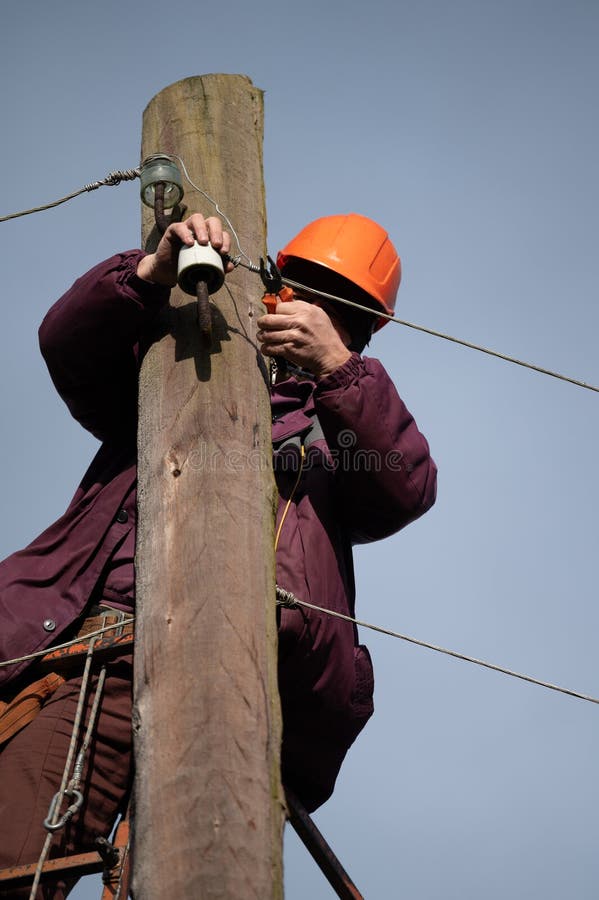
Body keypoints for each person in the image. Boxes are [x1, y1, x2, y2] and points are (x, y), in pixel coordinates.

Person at [0, 212, 437, 897]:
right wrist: (150, 273)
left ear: (364, 329)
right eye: (303, 288)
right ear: (270, 288)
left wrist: (339, 372)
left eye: (340, 308)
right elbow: (69, 346)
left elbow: (406, 487)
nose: (314, 312)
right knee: (14, 868)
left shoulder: (341, 435)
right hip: (96, 659)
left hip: (246, 687)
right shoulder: (168, 370)